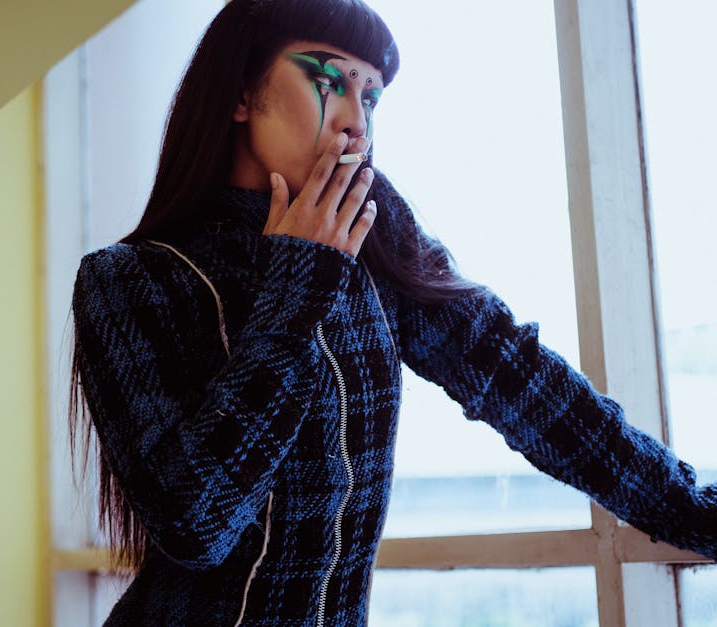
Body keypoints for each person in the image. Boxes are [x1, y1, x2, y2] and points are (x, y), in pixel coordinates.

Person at [66, 0, 717, 624]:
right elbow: (196, 521)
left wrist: (694, 511)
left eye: (371, 95)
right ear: (240, 93)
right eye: (330, 79)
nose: (357, 120)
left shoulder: (374, 235)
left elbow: (517, 378)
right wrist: (299, 284)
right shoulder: (127, 280)